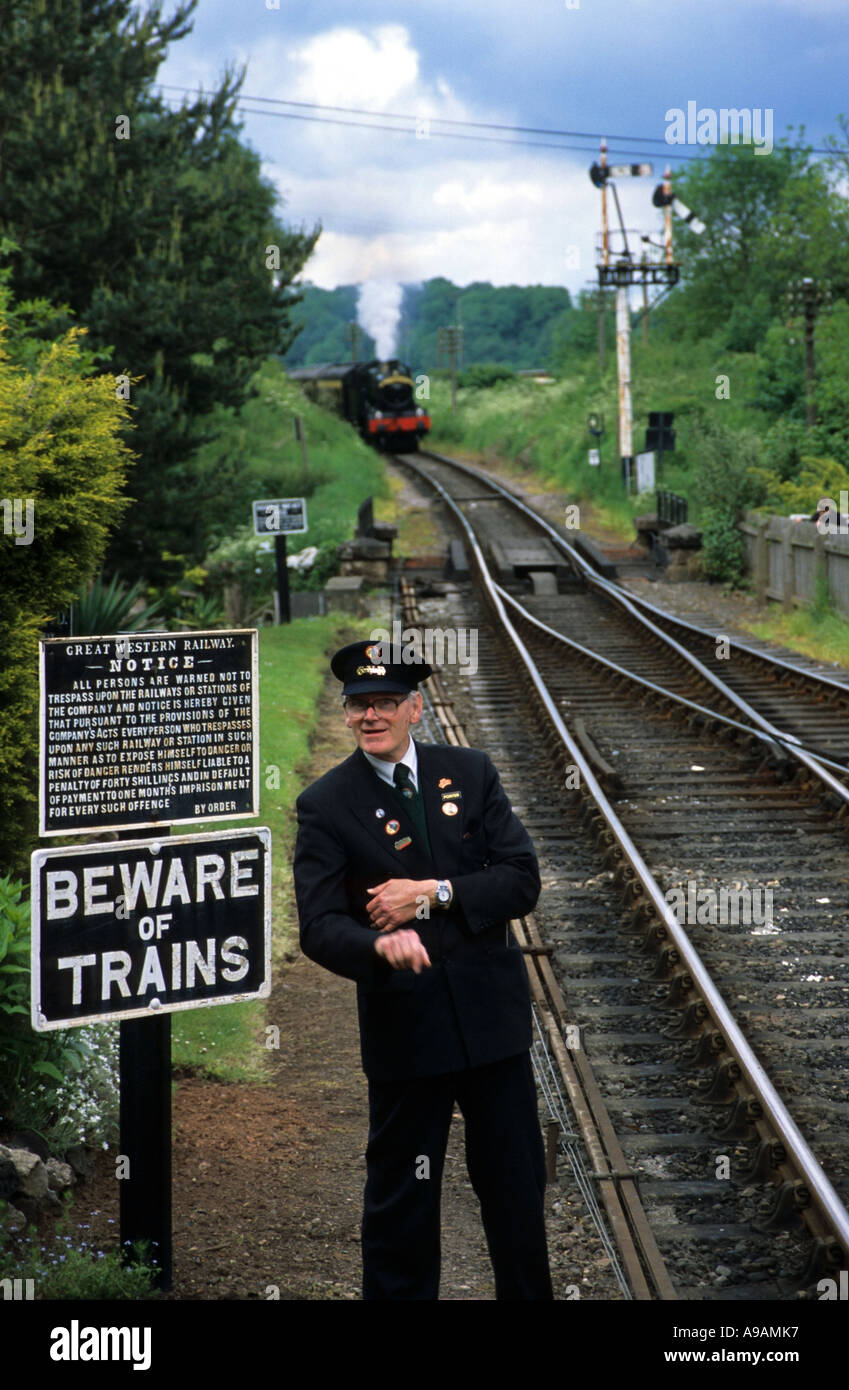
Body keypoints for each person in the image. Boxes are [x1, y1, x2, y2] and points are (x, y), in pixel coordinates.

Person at [293, 638, 553, 1301]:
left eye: (383, 703)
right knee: (400, 1208)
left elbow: (520, 879)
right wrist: (376, 947)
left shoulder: (468, 772)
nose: (368, 716)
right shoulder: (327, 804)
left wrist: (433, 892)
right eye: (357, 705)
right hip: (407, 1032)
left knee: (516, 1195)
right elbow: (319, 927)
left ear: (416, 707)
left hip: (493, 1030)